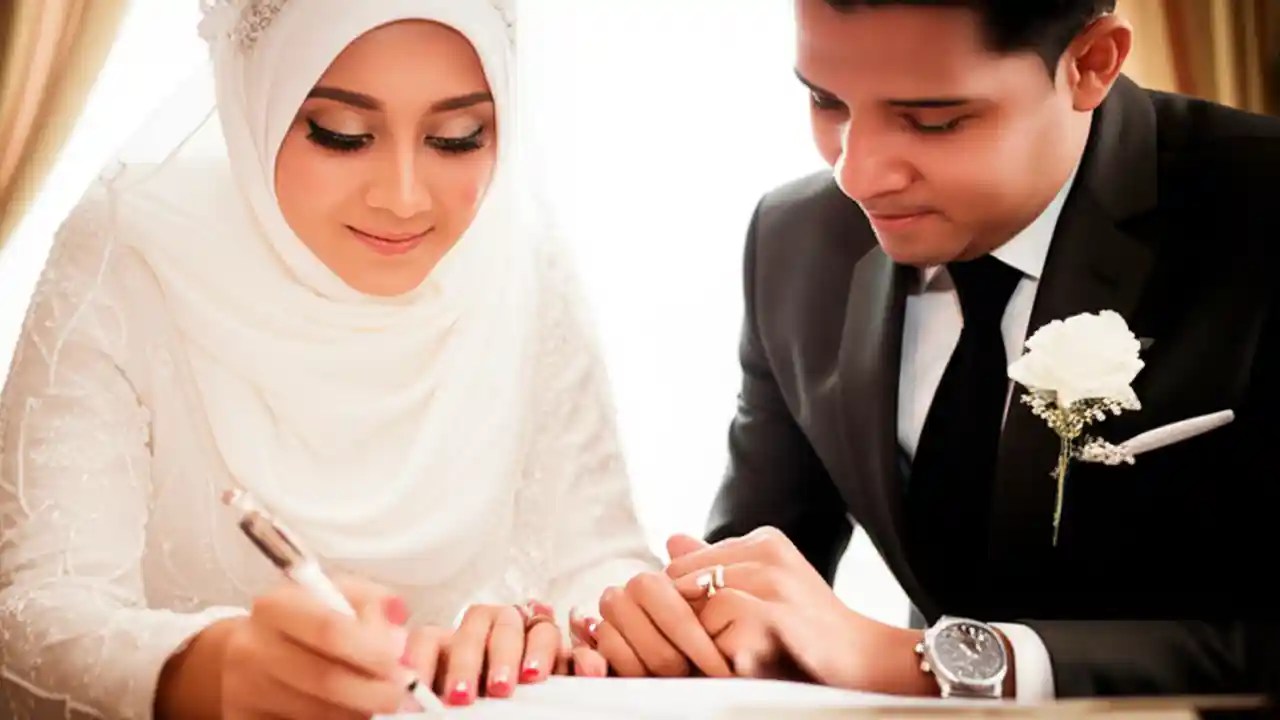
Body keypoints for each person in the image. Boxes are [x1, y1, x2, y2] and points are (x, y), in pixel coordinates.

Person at [586, 0, 1280, 702]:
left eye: (933, 120)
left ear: (1090, 63)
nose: (857, 177)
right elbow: (759, 575)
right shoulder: (794, 240)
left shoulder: (1258, 204)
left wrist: (928, 661)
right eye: (826, 102)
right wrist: (667, 627)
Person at [0, 1, 657, 718]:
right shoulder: (133, 250)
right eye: (341, 135)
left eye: (459, 137)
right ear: (257, 96)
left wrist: (537, 634)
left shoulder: (516, 251)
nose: (402, 198)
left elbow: (599, 563)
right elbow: (35, 615)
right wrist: (210, 666)